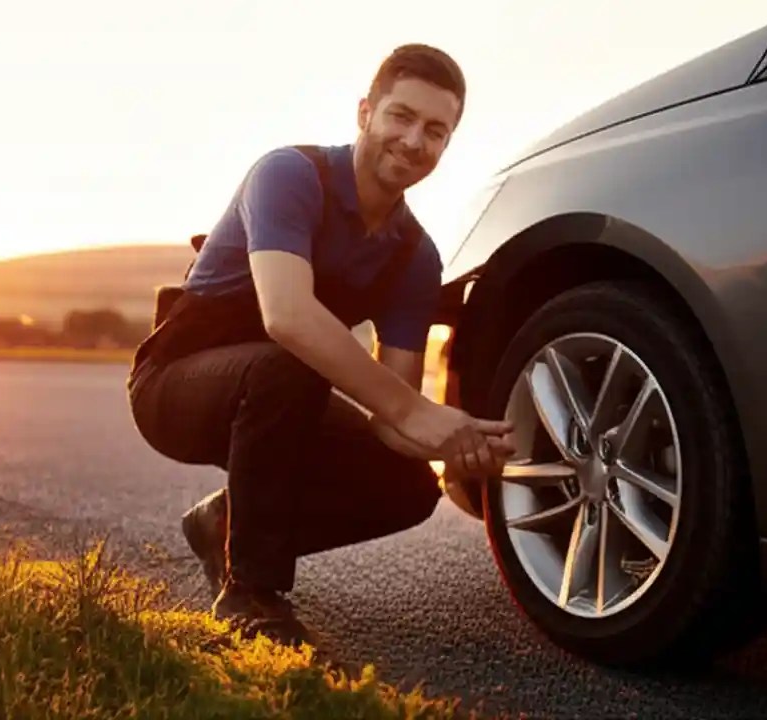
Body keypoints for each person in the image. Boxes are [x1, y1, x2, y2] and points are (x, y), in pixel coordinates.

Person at [126, 43, 515, 648]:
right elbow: (287, 316)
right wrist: (413, 412)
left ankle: (226, 524)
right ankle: (250, 592)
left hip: (282, 393)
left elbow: (394, 418)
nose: (414, 141)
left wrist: (458, 441)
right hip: (175, 386)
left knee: (408, 486)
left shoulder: (416, 258)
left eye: (436, 131)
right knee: (293, 359)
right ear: (365, 112)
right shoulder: (288, 175)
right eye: (401, 117)